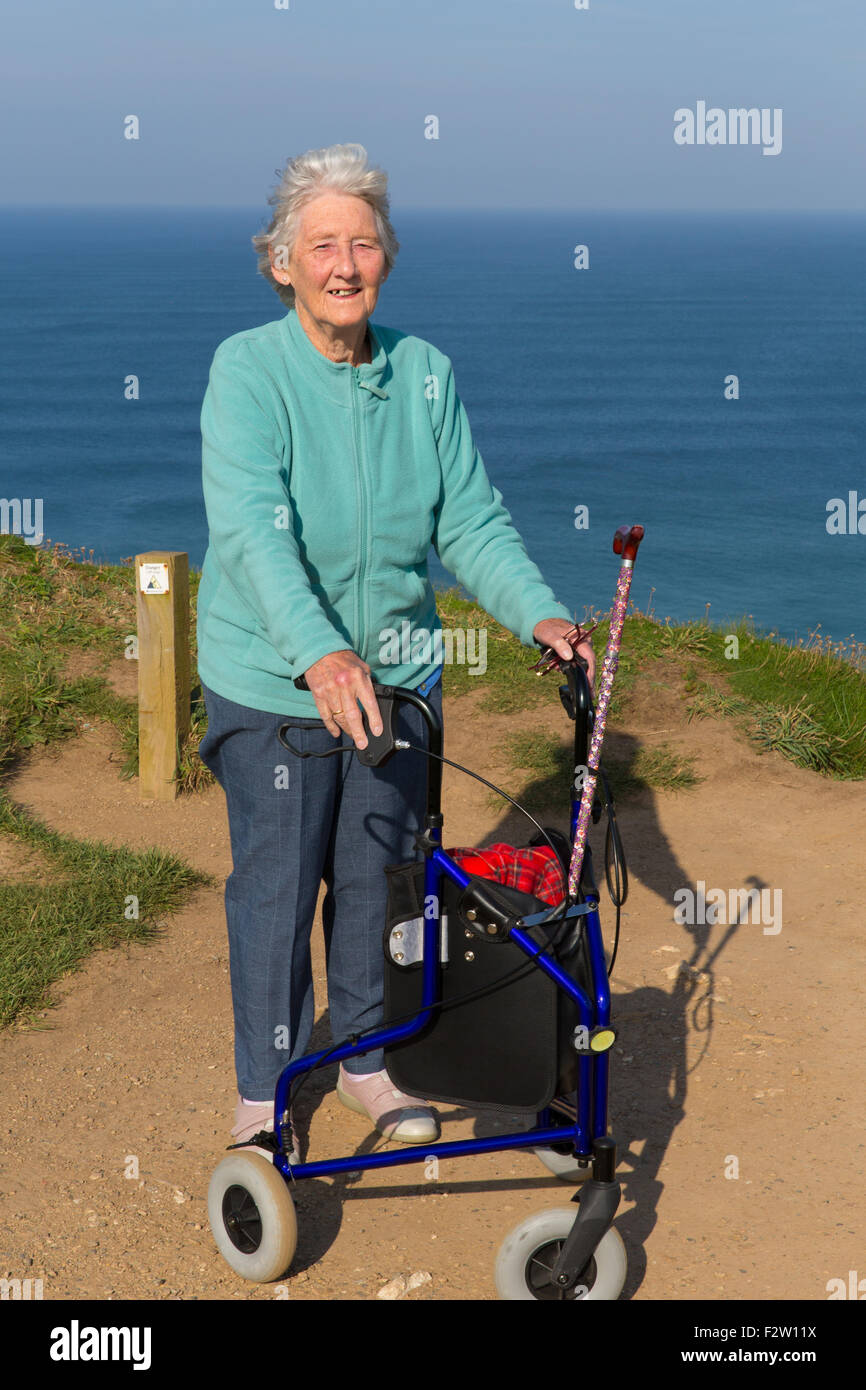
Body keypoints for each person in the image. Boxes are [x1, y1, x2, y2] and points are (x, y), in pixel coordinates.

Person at [196, 143, 594, 1160]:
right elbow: (252, 533)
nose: (343, 263)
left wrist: (537, 615)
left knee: (378, 878)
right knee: (277, 891)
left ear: (387, 258)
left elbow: (467, 522)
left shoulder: (423, 373)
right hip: (276, 682)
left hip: (398, 684)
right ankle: (264, 1087)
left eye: (361, 243)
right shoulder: (248, 371)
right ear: (280, 263)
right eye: (320, 244)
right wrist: (321, 654)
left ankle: (368, 1059)